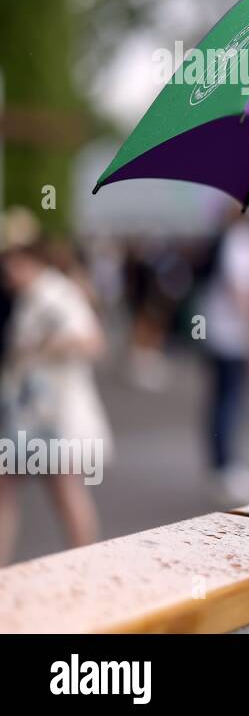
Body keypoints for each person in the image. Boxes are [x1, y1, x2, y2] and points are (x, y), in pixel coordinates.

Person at [0, 207, 112, 564]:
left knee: (62, 493)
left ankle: (84, 567)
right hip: (40, 417)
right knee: (46, 492)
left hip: (57, 417)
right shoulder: (40, 294)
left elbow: (93, 341)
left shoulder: (54, 293)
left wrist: (43, 348)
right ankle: (84, 567)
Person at [199, 203, 249, 505]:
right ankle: (226, 467)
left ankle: (222, 465)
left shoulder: (232, 237)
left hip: (220, 331)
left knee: (222, 398)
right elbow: (244, 292)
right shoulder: (244, 239)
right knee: (230, 399)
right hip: (233, 334)